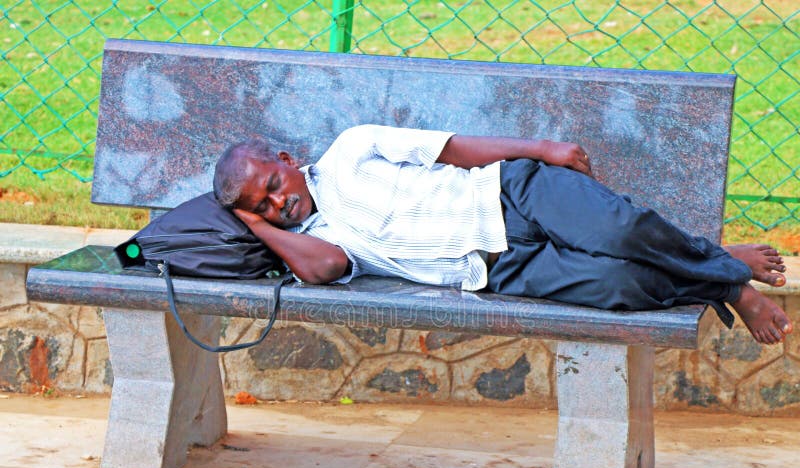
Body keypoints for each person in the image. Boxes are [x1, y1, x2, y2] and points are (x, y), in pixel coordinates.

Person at [212, 124, 792, 345]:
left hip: (510, 194)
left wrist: (540, 149)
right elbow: (325, 271)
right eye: (262, 207)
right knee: (620, 284)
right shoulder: (314, 240)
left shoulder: (350, 148)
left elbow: (453, 150)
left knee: (621, 232)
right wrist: (254, 222)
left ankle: (725, 275)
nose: (277, 202)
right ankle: (721, 273)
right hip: (498, 270)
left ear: (286, 160)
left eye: (273, 185)